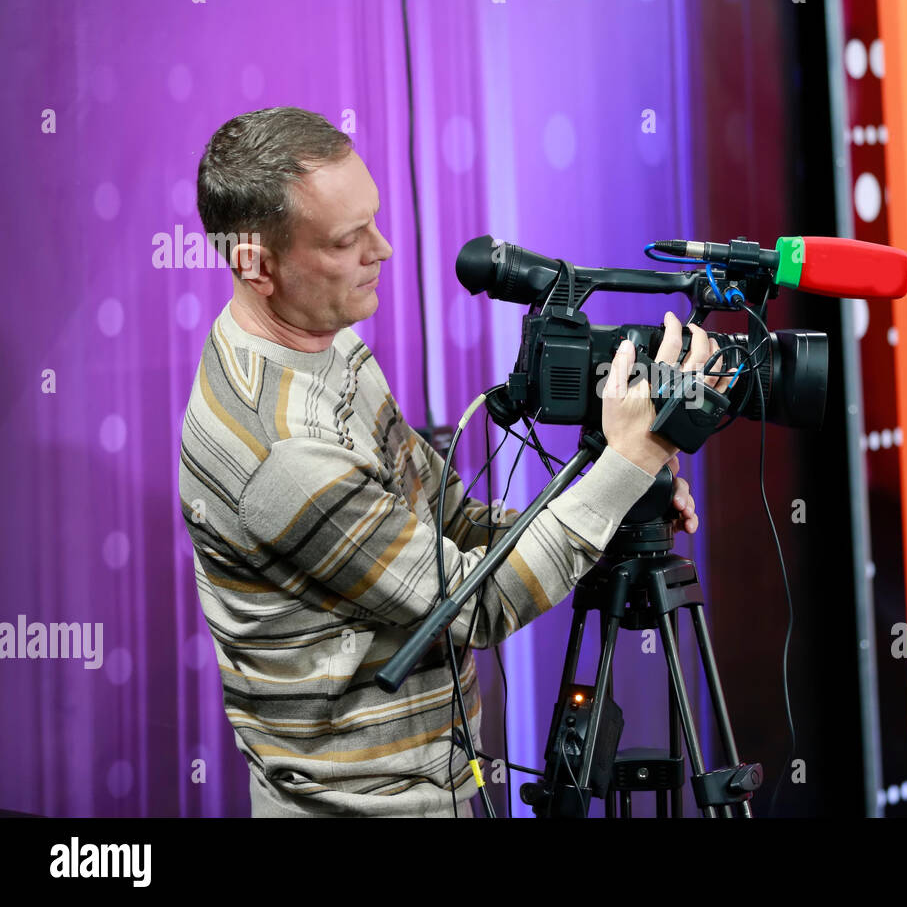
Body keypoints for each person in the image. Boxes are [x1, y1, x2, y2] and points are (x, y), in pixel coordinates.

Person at [178, 106, 727, 817]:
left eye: (373, 220)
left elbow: (448, 524)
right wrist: (625, 462)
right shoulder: (284, 452)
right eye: (348, 240)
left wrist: (619, 501)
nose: (382, 249)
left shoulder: (326, 345)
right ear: (256, 264)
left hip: (433, 781)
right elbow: (474, 605)